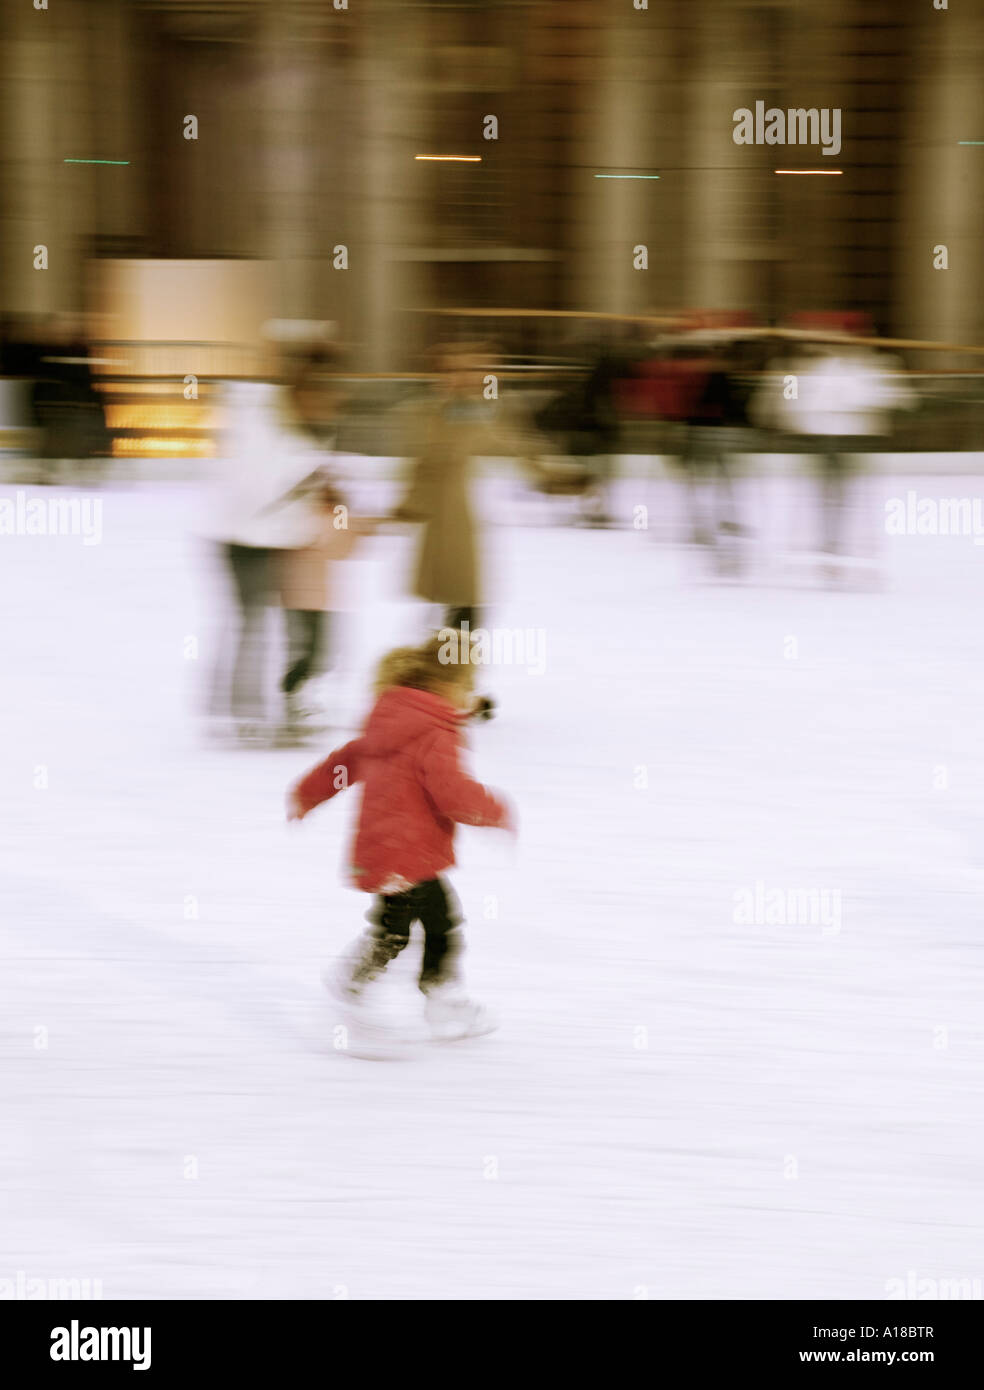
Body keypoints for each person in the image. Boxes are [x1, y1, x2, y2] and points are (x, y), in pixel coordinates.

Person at [286, 633, 515, 1039]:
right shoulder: (435, 734)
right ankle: (433, 998)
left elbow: (345, 762)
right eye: (468, 686)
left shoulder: (392, 718)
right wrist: (493, 811)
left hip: (385, 849)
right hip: (412, 854)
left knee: (399, 928)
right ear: (447, 687)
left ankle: (359, 985)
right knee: (436, 926)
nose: (470, 695)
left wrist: (308, 793)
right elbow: (453, 794)